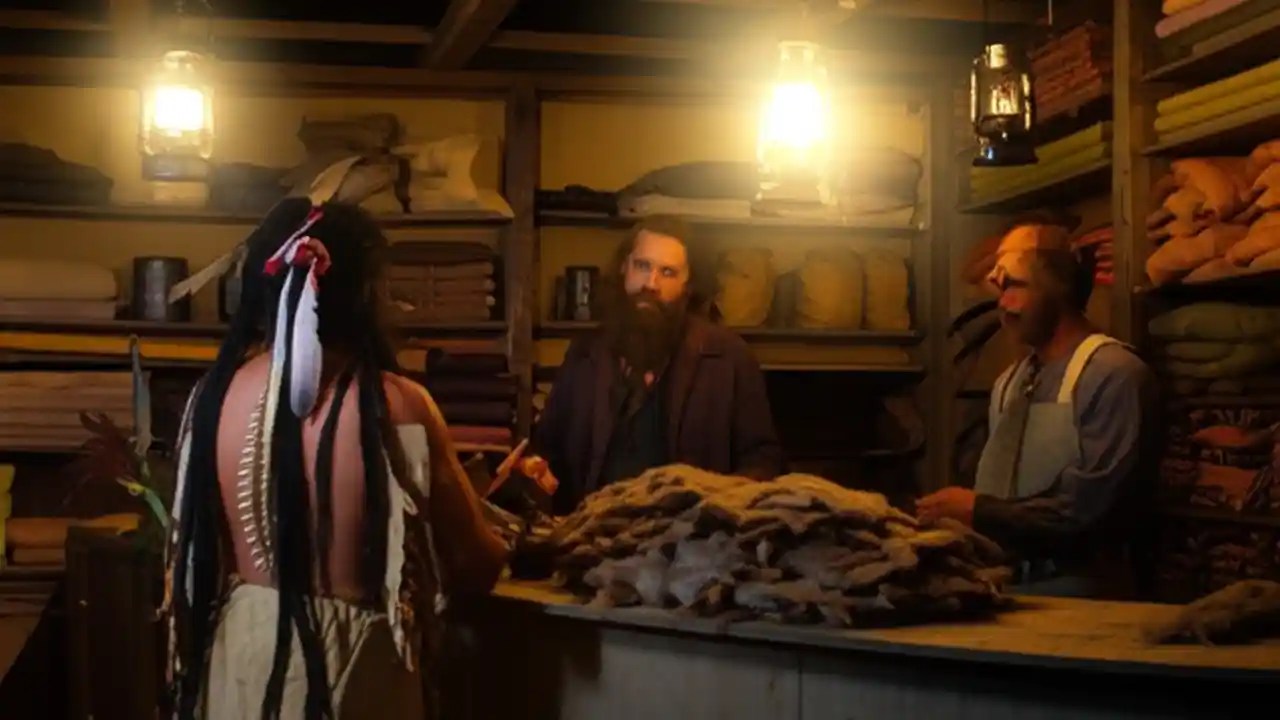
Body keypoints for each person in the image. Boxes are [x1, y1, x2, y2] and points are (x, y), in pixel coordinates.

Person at [163, 197, 508, 719]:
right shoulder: (400, 407)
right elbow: (476, 564)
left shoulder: (211, 400)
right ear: (365, 294)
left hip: (240, 662)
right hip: (354, 670)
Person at [916, 223, 1159, 599]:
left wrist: (979, 510)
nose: (1002, 304)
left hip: (1086, 596)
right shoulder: (1008, 383)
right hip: (1008, 587)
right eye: (999, 290)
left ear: (1057, 287)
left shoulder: (1113, 374)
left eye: (1014, 286)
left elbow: (1088, 509)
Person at [526, 215, 784, 515]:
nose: (651, 284)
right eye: (643, 266)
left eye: (668, 272)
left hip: (688, 542)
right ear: (624, 268)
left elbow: (765, 459)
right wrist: (533, 469)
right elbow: (546, 449)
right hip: (594, 533)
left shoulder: (728, 358)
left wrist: (722, 502)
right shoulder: (585, 354)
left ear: (687, 285)